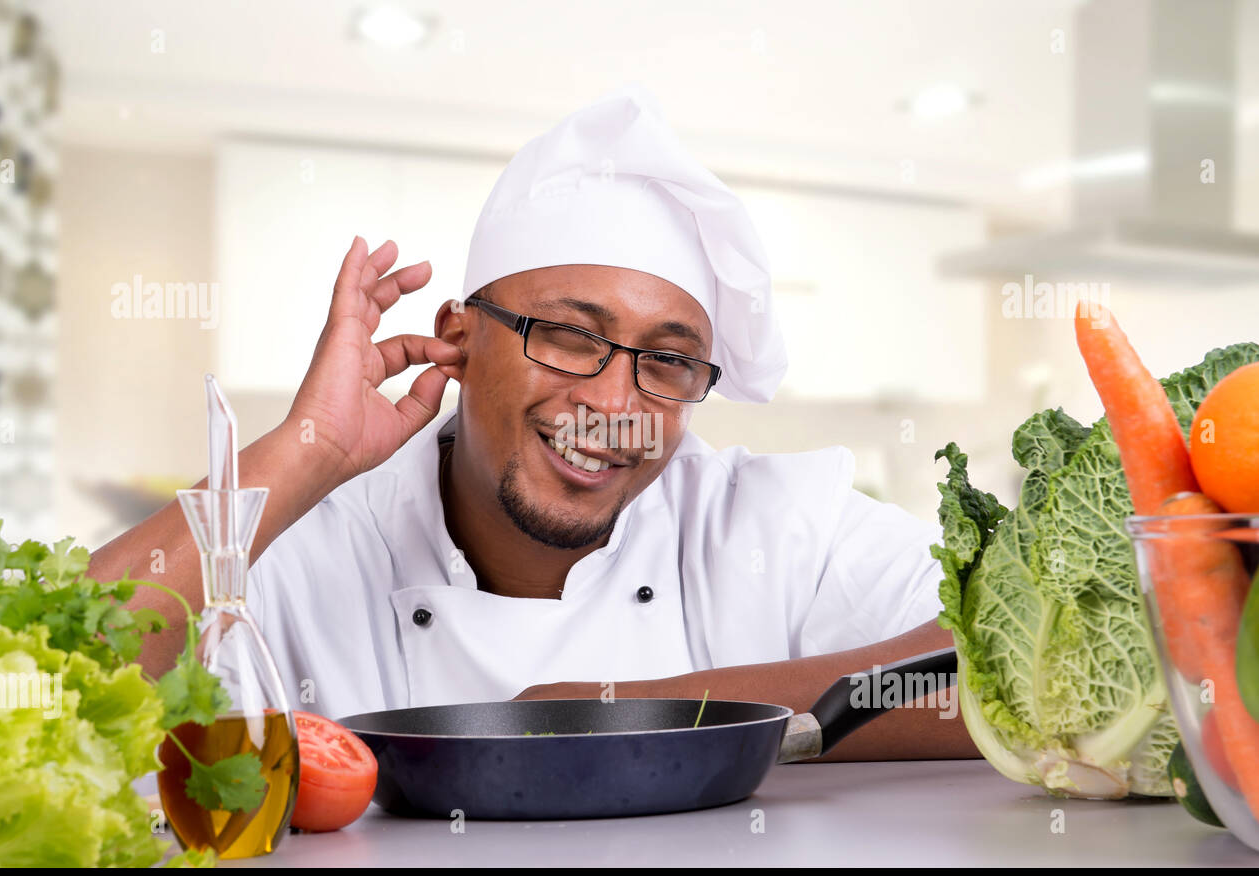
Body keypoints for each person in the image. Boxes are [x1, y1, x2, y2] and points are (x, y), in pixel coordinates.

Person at [89, 85, 978, 761]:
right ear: (458, 337)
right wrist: (304, 449)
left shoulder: (768, 524)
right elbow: (57, 676)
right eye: (568, 336)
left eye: (668, 360)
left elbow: (1003, 658)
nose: (616, 406)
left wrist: (623, 712)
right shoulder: (303, 548)